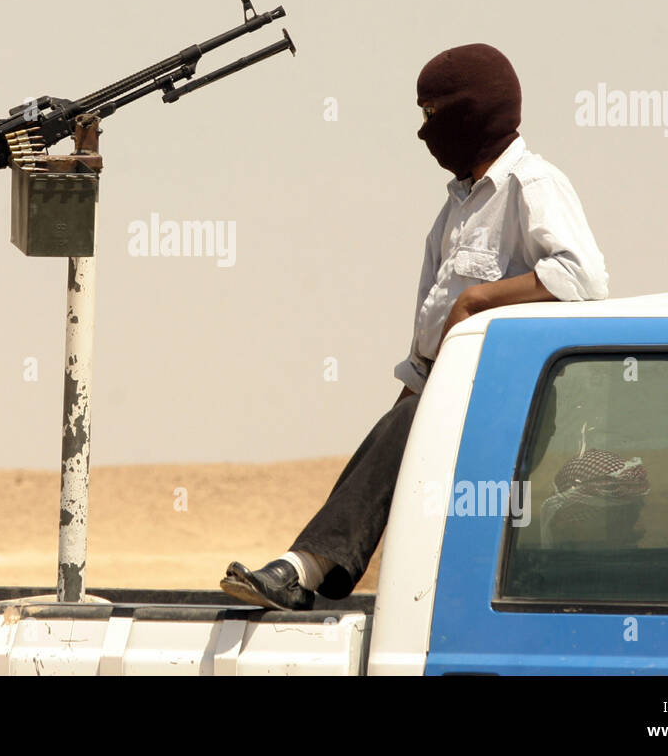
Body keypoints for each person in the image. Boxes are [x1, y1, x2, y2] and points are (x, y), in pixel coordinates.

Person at [220, 43, 611, 610]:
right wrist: (409, 402)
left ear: (470, 113)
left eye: (432, 116)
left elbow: (583, 275)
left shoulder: (532, 185)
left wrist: (481, 300)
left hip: (510, 402)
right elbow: (426, 339)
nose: (424, 133)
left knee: (410, 429)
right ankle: (317, 570)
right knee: (393, 439)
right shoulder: (454, 211)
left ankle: (302, 569)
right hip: (447, 393)